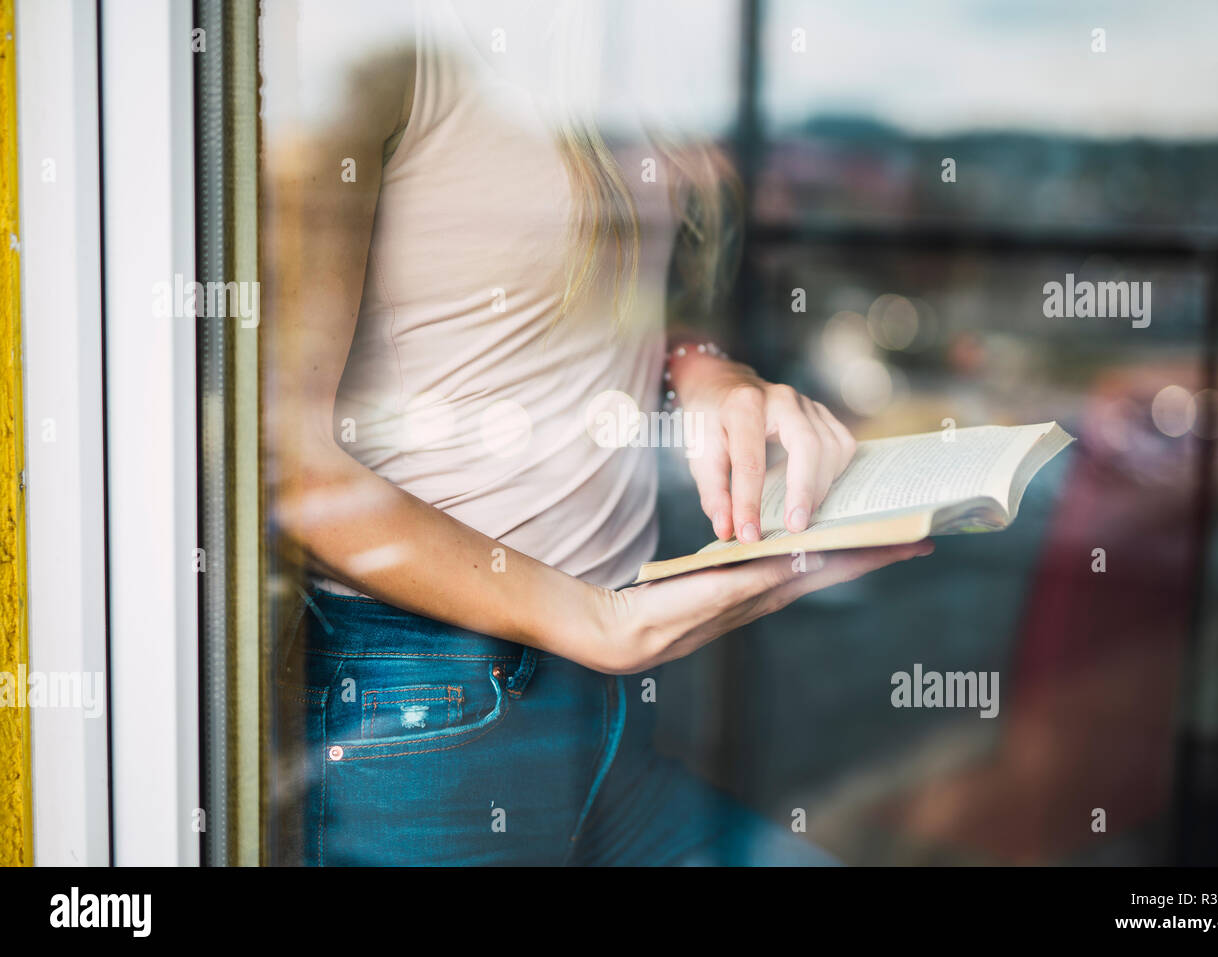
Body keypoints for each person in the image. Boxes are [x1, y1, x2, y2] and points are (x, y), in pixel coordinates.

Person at [265, 0, 933, 866]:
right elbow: (281, 459)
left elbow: (604, 300)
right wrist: (602, 624)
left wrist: (706, 371)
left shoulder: (613, 37)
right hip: (428, 713)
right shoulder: (363, 30)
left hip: (601, 707)